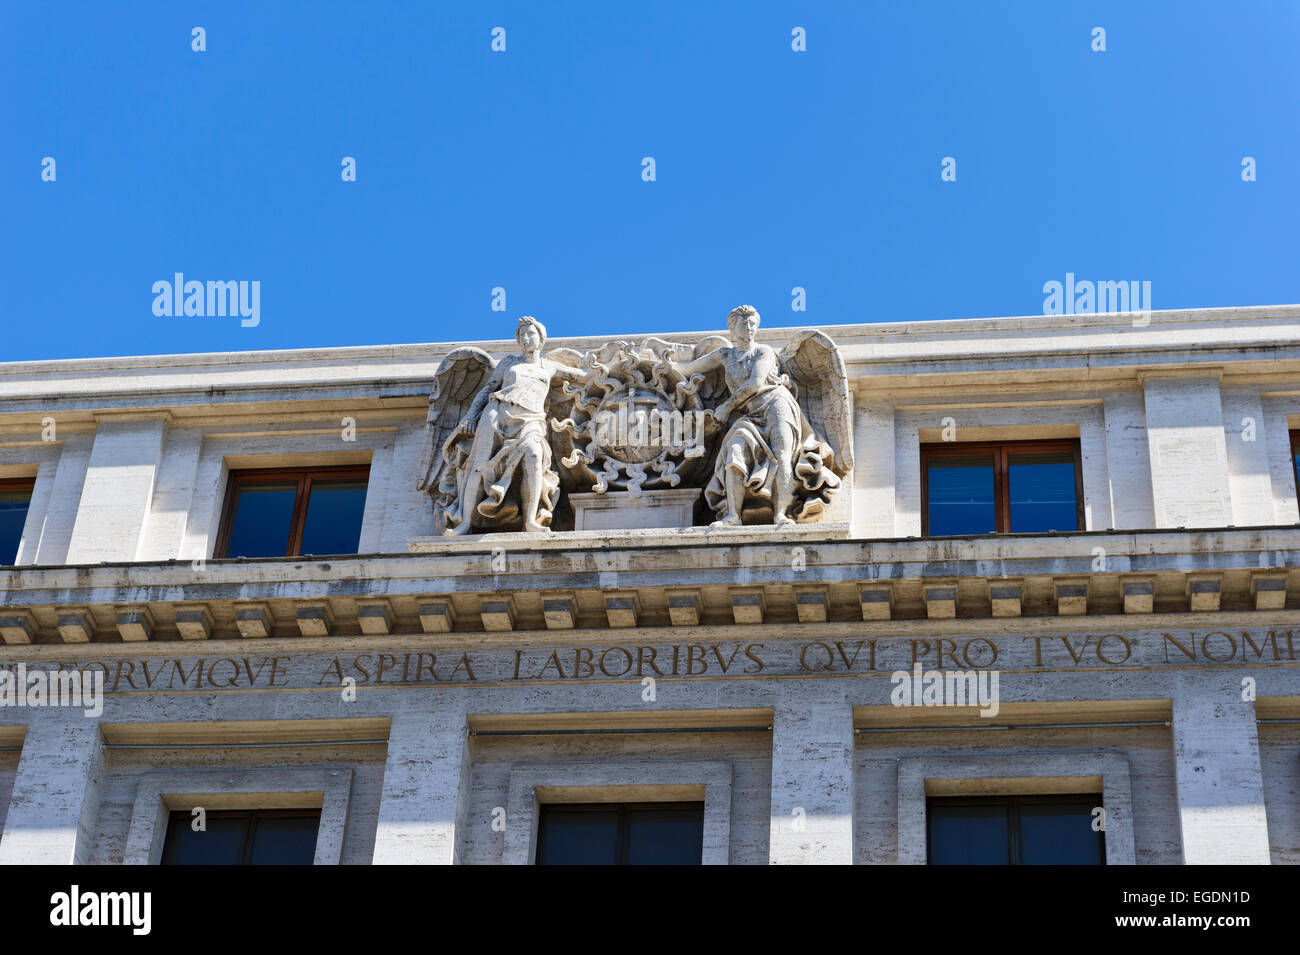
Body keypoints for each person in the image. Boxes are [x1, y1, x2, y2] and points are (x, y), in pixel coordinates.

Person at [443, 316, 587, 534]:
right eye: (522, 335)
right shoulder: (509, 362)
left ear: (541, 339)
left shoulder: (549, 367)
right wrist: (471, 417)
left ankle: (531, 521)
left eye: (531, 334)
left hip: (532, 421)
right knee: (480, 464)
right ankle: (464, 522)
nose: (526, 338)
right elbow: (487, 389)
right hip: (497, 415)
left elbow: (585, 376)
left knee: (534, 457)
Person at [668, 305, 804, 526]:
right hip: (749, 414)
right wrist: (659, 363)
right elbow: (687, 369)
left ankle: (780, 513)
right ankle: (733, 516)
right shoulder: (725, 355)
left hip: (776, 405)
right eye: (744, 323)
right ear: (732, 328)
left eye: (752, 323)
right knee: (734, 451)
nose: (749, 327)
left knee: (782, 455)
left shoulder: (764, 352)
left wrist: (726, 407)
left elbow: (756, 383)